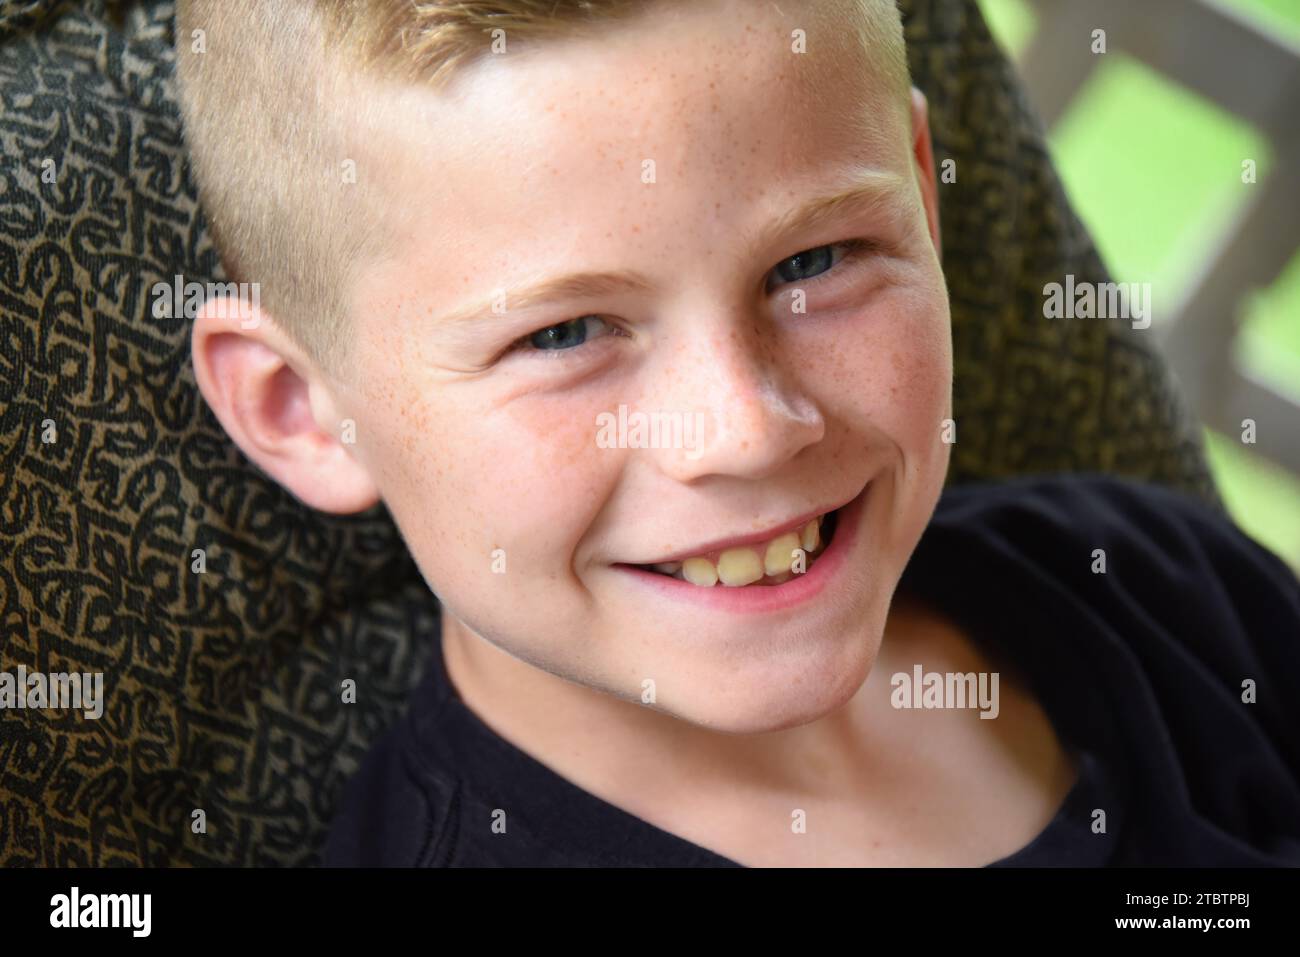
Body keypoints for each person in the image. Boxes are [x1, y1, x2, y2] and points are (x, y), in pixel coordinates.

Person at [173, 0, 1300, 866]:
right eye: (567, 333)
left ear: (922, 195)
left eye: (813, 263)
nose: (747, 429)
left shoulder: (1158, 587)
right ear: (297, 409)